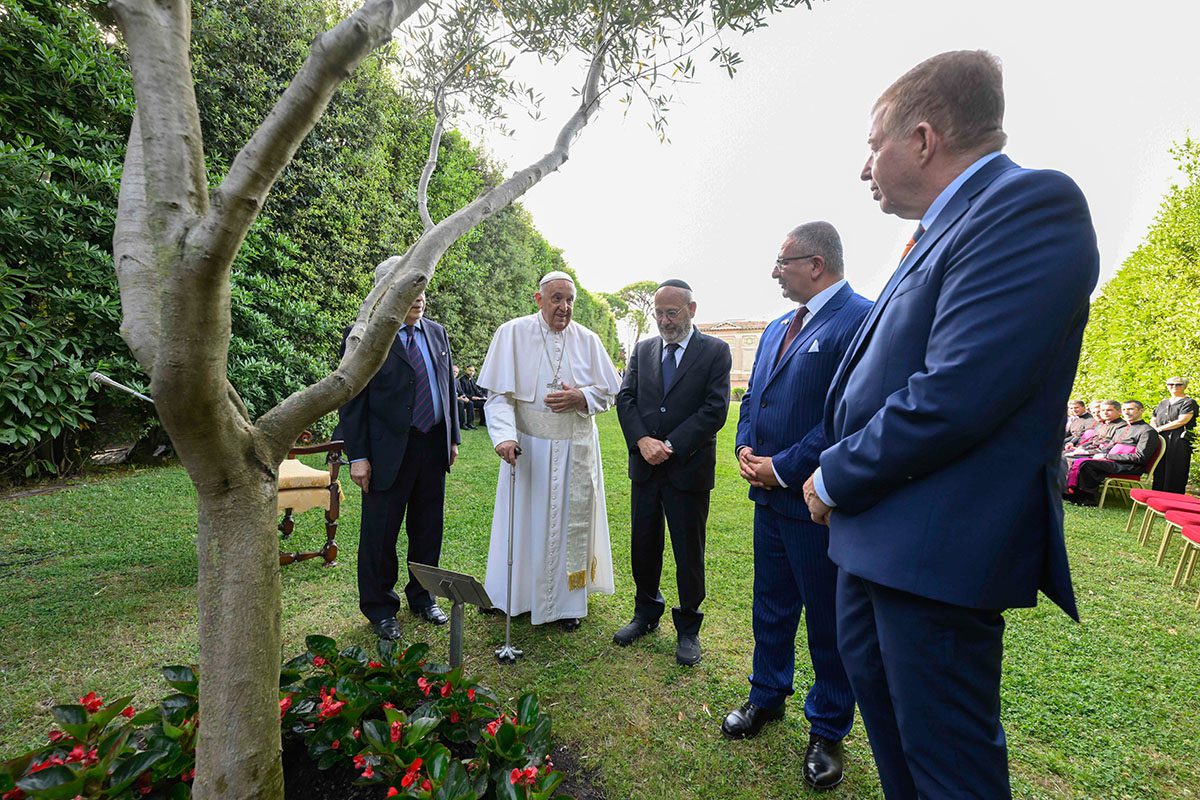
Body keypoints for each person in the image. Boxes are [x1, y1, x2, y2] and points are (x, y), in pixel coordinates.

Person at [802, 51, 1099, 799]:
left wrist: (834, 472)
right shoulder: (941, 227)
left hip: (935, 554)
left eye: (873, 145)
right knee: (903, 761)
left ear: (925, 139)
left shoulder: (1028, 205)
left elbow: (958, 390)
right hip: (880, 545)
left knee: (948, 772)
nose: (864, 168)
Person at [719, 222, 871, 791]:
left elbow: (843, 415)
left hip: (815, 503)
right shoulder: (779, 325)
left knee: (828, 618)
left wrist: (784, 467)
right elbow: (753, 395)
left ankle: (828, 728)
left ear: (816, 263)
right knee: (771, 606)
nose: (774, 272)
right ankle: (767, 696)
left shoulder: (860, 318)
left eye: (782, 262)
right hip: (768, 499)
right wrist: (744, 445)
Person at [478, 271, 622, 630]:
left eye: (570, 299)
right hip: (529, 447)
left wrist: (581, 396)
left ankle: (566, 604)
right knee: (522, 520)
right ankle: (512, 596)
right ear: (539, 299)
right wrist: (504, 437)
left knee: (567, 526)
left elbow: (611, 392)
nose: (565, 307)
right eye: (556, 298)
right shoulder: (511, 333)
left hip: (575, 446)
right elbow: (498, 396)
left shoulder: (587, 340)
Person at [614, 279, 731, 666]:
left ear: (692, 310)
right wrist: (642, 441)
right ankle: (646, 612)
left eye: (672, 313)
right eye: (659, 313)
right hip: (645, 468)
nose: (664, 321)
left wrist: (672, 445)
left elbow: (715, 409)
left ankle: (688, 628)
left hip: (688, 469)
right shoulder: (644, 349)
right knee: (644, 545)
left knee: (688, 552)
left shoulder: (715, 351)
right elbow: (626, 398)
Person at [338, 288, 460, 640]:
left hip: (432, 444)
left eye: (422, 292)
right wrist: (358, 456)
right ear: (388, 296)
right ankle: (380, 608)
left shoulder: (437, 332)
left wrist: (452, 436)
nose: (419, 300)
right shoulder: (363, 335)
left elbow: (445, 385)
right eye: (410, 293)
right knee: (380, 533)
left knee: (428, 528)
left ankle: (423, 598)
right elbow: (352, 397)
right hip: (385, 451)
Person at [1065, 401, 1160, 504]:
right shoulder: (1124, 428)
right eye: (1124, 409)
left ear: (1141, 411)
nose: (1127, 412)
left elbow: (1140, 457)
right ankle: (1070, 493)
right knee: (1076, 459)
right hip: (1112, 460)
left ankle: (1087, 498)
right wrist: (1089, 453)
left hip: (1128, 465)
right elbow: (1109, 446)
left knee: (1085, 464)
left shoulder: (1147, 431)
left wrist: (1107, 456)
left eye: (1130, 409)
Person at [1151, 377, 1197, 493]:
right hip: (1162, 439)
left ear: (1184, 386)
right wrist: (1154, 429)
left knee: (1176, 468)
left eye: (1178, 385)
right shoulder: (1163, 402)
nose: (1174, 387)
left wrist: (1159, 429)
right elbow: (1154, 418)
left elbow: (1182, 421)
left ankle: (1173, 497)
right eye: (1170, 384)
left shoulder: (1189, 402)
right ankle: (1156, 495)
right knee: (1160, 467)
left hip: (1179, 440)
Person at [453, 365, 476, 430]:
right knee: (460, 402)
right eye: (453, 371)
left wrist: (464, 397)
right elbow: (446, 394)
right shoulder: (446, 380)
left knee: (470, 403)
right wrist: (458, 398)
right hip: (451, 399)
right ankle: (461, 424)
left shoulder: (457, 381)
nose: (455, 373)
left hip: (459, 398)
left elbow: (461, 391)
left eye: (456, 372)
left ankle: (470, 423)